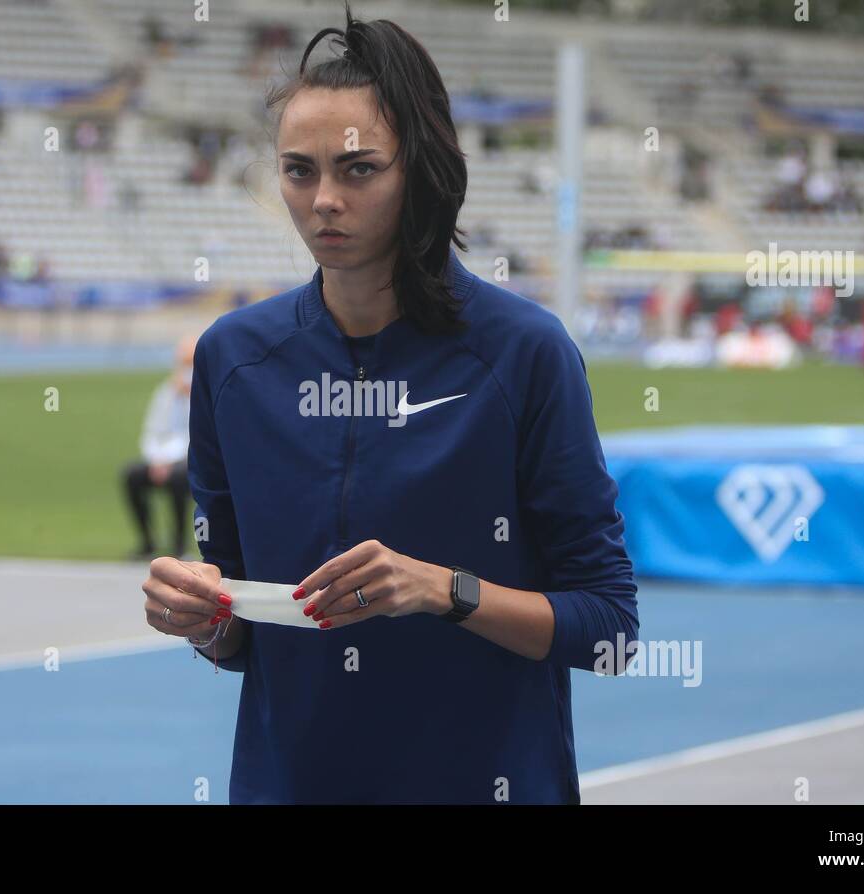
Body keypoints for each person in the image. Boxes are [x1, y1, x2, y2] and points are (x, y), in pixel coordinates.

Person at [140, 3, 638, 805]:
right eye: (299, 170)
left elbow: (611, 629)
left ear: (423, 171)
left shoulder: (525, 354)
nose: (324, 199)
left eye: (357, 168)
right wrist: (202, 614)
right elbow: (241, 639)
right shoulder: (233, 362)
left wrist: (444, 591)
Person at [123, 335, 194, 560]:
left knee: (178, 478)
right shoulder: (166, 392)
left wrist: (169, 460)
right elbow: (153, 429)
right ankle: (147, 542)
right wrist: (156, 459)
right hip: (161, 458)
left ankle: (179, 544)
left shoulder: (204, 391)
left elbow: (195, 436)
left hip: (188, 459)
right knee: (131, 474)